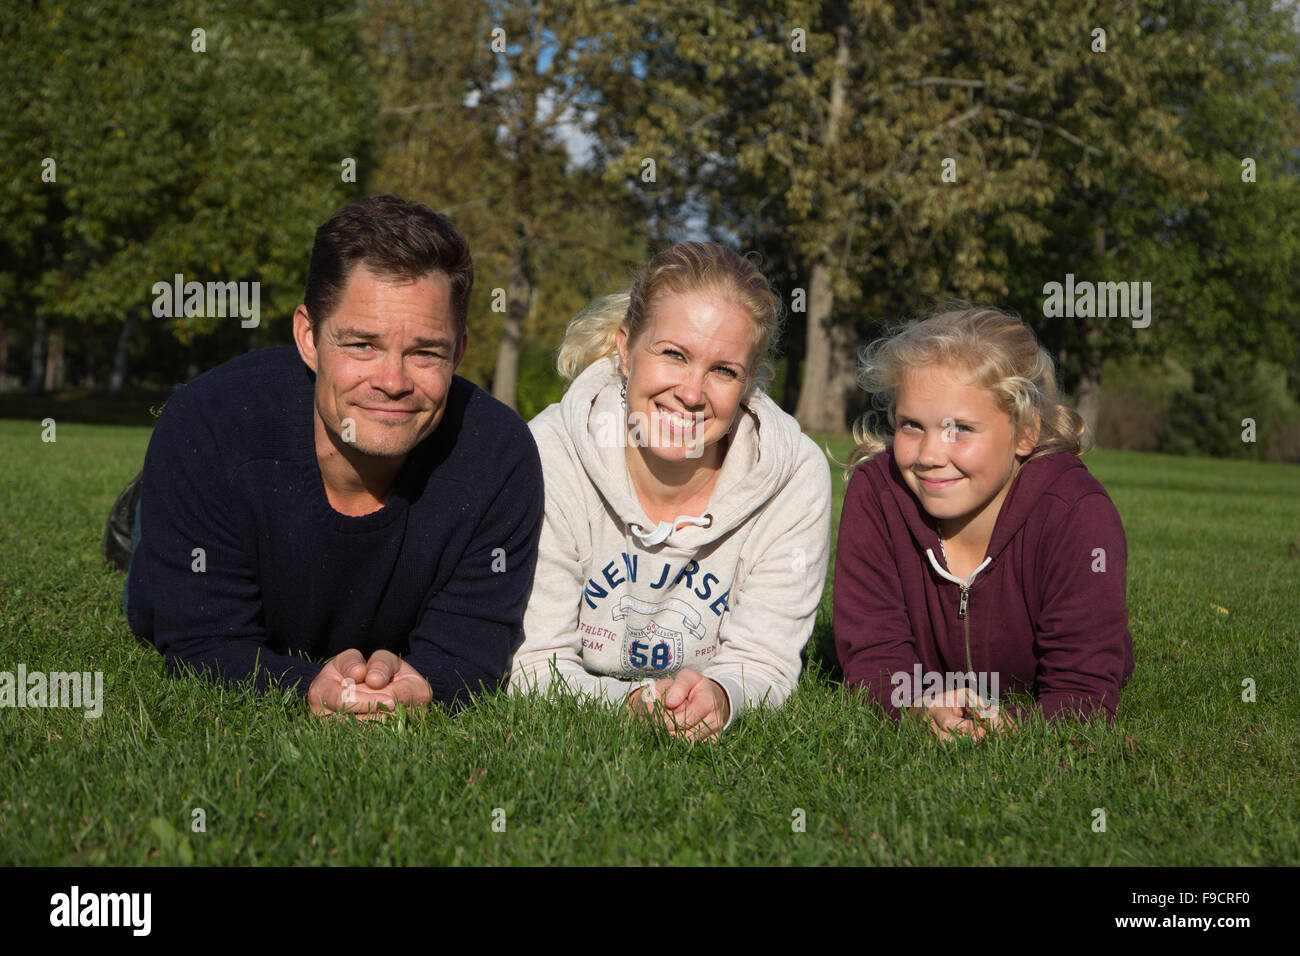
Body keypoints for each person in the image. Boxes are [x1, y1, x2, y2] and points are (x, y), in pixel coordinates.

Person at [121, 195, 543, 718]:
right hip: (214, 479)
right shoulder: (208, 423)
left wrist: (421, 686)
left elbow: (469, 653)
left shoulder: (499, 455)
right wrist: (306, 686)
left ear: (457, 352)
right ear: (308, 337)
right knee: (151, 574)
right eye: (362, 345)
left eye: (425, 352)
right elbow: (203, 640)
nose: (392, 381)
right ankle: (141, 506)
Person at [509, 242, 831, 741]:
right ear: (625, 348)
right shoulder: (550, 453)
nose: (691, 392)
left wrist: (721, 696)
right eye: (674, 355)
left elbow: (763, 662)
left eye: (723, 370)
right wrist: (633, 704)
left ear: (748, 382)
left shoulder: (794, 475)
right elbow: (534, 663)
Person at [833, 305, 1134, 740]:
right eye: (911, 425)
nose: (929, 455)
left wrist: (1009, 728)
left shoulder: (1075, 512)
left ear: (1026, 431)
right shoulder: (878, 495)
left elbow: (1082, 692)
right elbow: (873, 656)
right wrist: (915, 710)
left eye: (960, 429)